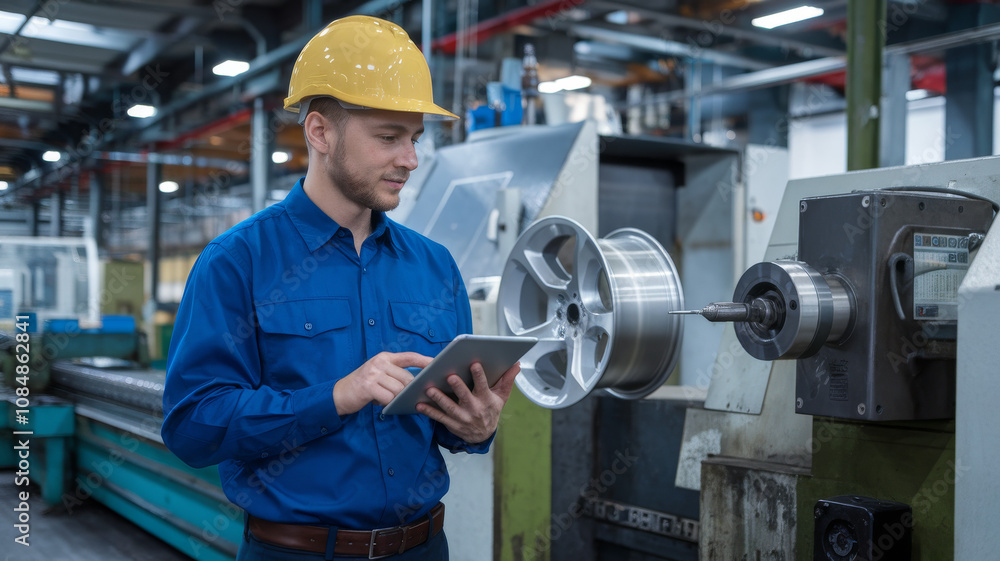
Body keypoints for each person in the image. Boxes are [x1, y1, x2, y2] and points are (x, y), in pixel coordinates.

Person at [161, 15, 520, 560]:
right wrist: (333, 398)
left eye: (416, 138)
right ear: (320, 132)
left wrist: (475, 425)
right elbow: (193, 426)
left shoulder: (435, 267)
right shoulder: (237, 262)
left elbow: (445, 425)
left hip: (424, 548)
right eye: (388, 137)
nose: (411, 160)